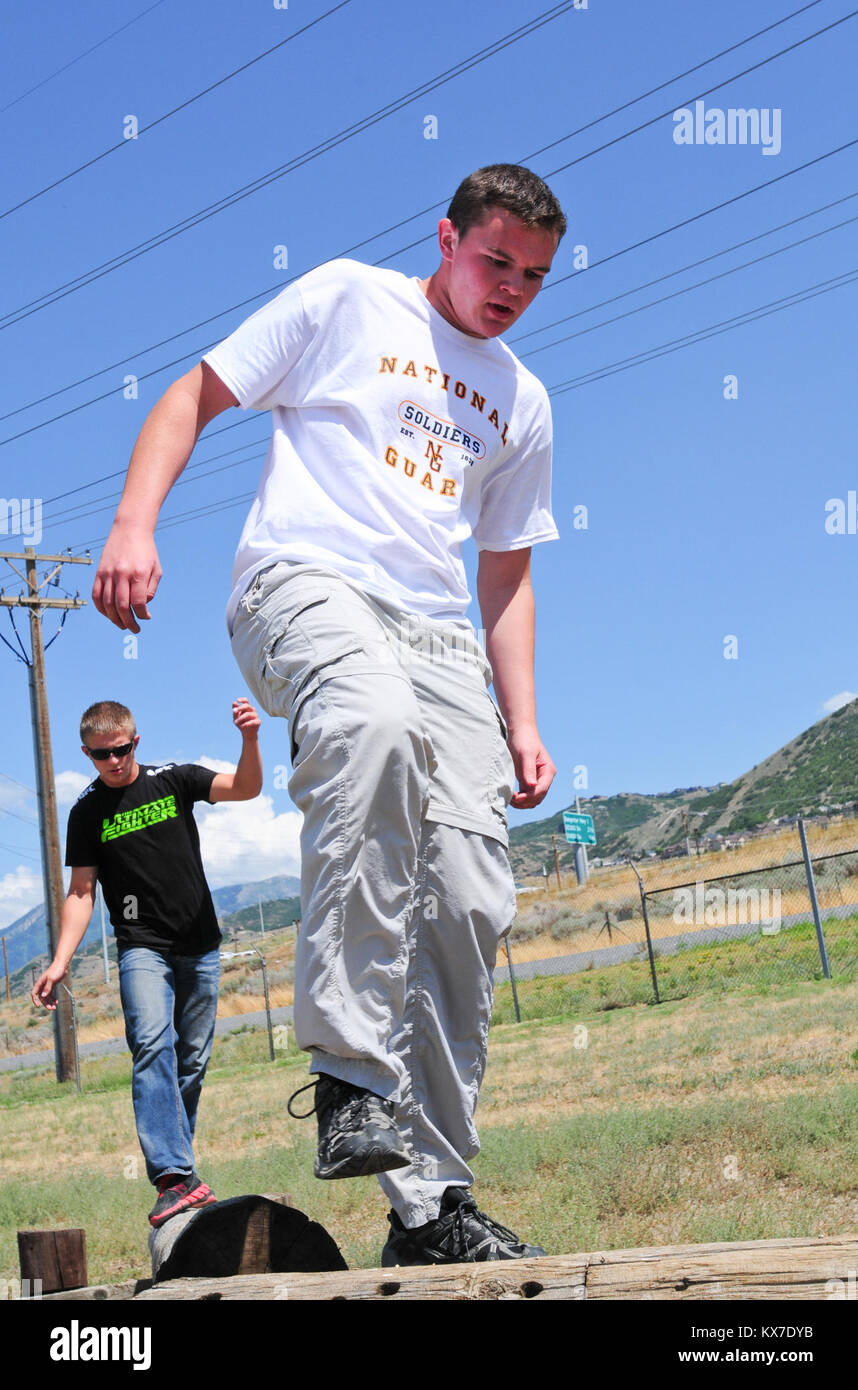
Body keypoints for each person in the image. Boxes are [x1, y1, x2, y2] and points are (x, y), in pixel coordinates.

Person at [91, 163, 565, 1264]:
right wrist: (132, 521)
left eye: (533, 278)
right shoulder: (347, 297)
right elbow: (193, 394)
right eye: (493, 260)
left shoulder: (522, 399)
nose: (508, 290)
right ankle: (350, 1071)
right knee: (372, 728)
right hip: (303, 585)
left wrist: (523, 717)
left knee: (470, 890)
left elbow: (505, 574)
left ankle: (430, 1204)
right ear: (446, 236)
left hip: (440, 635)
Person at [31, 697, 263, 1228]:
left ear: (135, 742)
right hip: (141, 946)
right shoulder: (86, 813)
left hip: (200, 944)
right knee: (152, 1043)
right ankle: (172, 1176)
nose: (112, 762)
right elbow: (82, 891)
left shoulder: (174, 779)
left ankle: (184, 1175)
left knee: (192, 1062)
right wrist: (61, 960)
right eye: (99, 755)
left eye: (120, 750)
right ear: (87, 753)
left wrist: (250, 739)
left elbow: (247, 788)